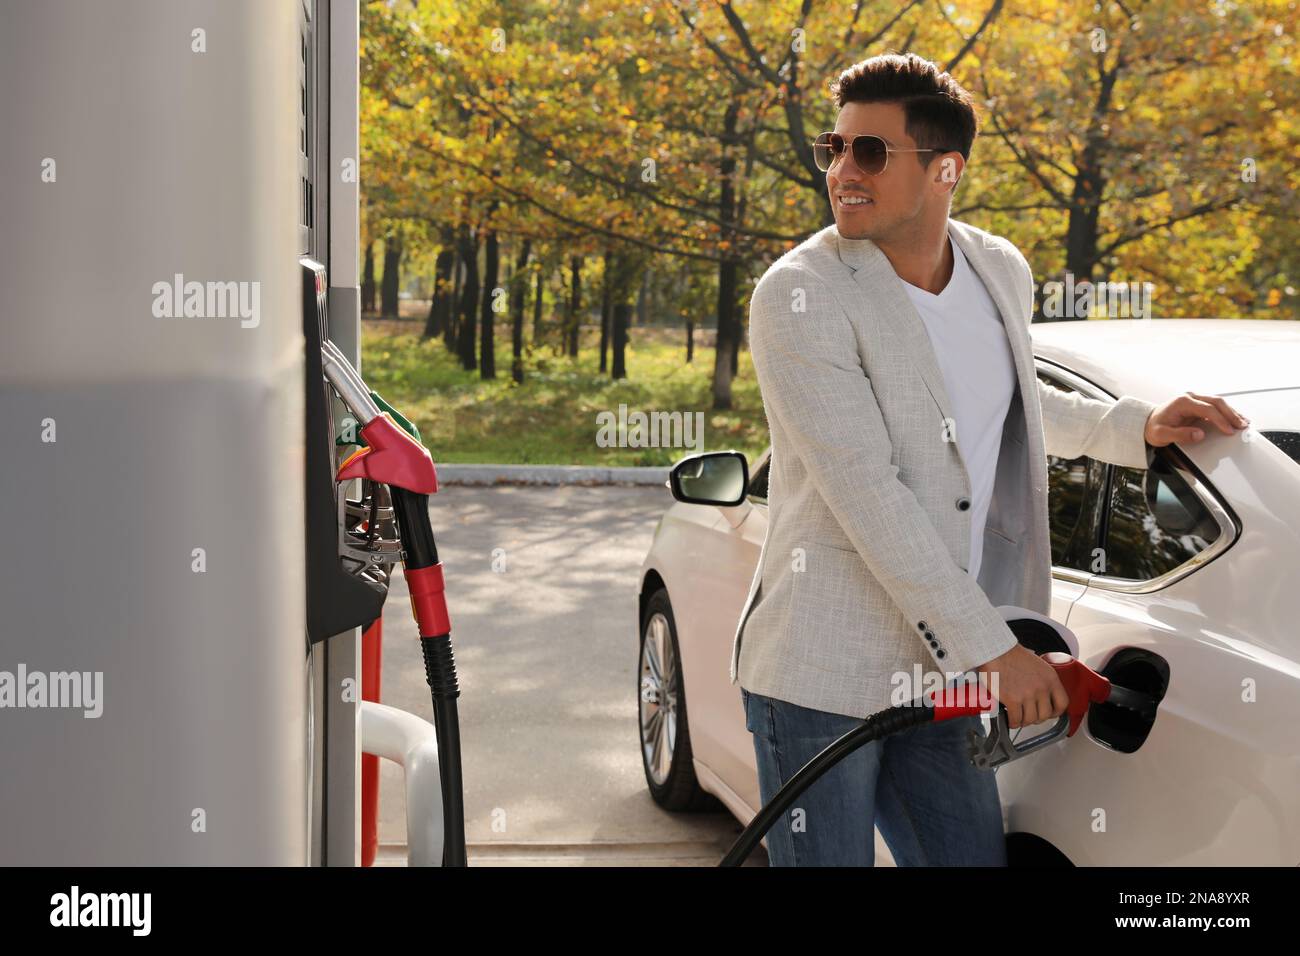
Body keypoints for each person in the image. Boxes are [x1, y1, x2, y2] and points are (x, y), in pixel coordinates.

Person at [731, 52, 1250, 867]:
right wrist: (995, 652)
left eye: (870, 152)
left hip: (944, 670)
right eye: (835, 149)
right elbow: (867, 491)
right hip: (821, 672)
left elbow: (1005, 400)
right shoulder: (802, 295)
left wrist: (1136, 426)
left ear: (947, 169)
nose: (842, 172)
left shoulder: (997, 267)